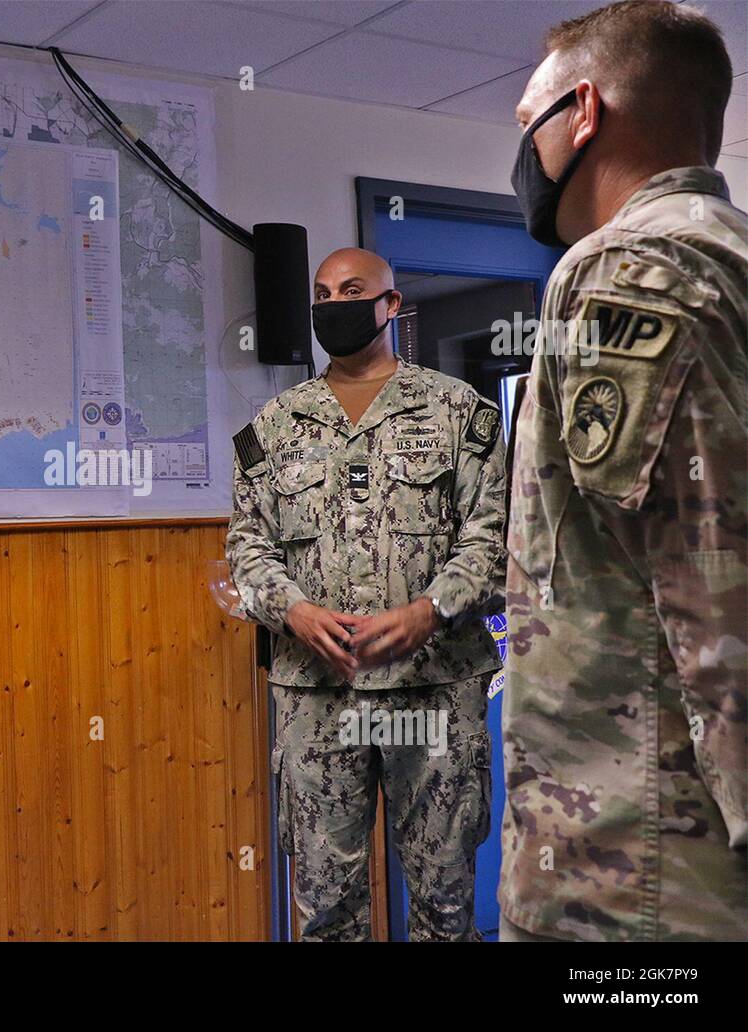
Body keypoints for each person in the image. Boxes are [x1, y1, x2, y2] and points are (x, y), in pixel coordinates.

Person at [501, 0, 746, 941]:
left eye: (529, 124)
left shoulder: (632, 267)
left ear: (585, 111)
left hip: (641, 863)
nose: (522, 150)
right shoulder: (730, 255)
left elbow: (713, 580)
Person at [227, 246, 506, 940]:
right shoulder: (275, 426)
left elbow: (494, 542)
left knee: (445, 909)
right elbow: (248, 547)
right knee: (325, 913)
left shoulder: (456, 413)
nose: (333, 304)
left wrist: (431, 608)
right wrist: (291, 608)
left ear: (390, 305)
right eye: (322, 294)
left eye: (352, 290)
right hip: (318, 697)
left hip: (433, 688)